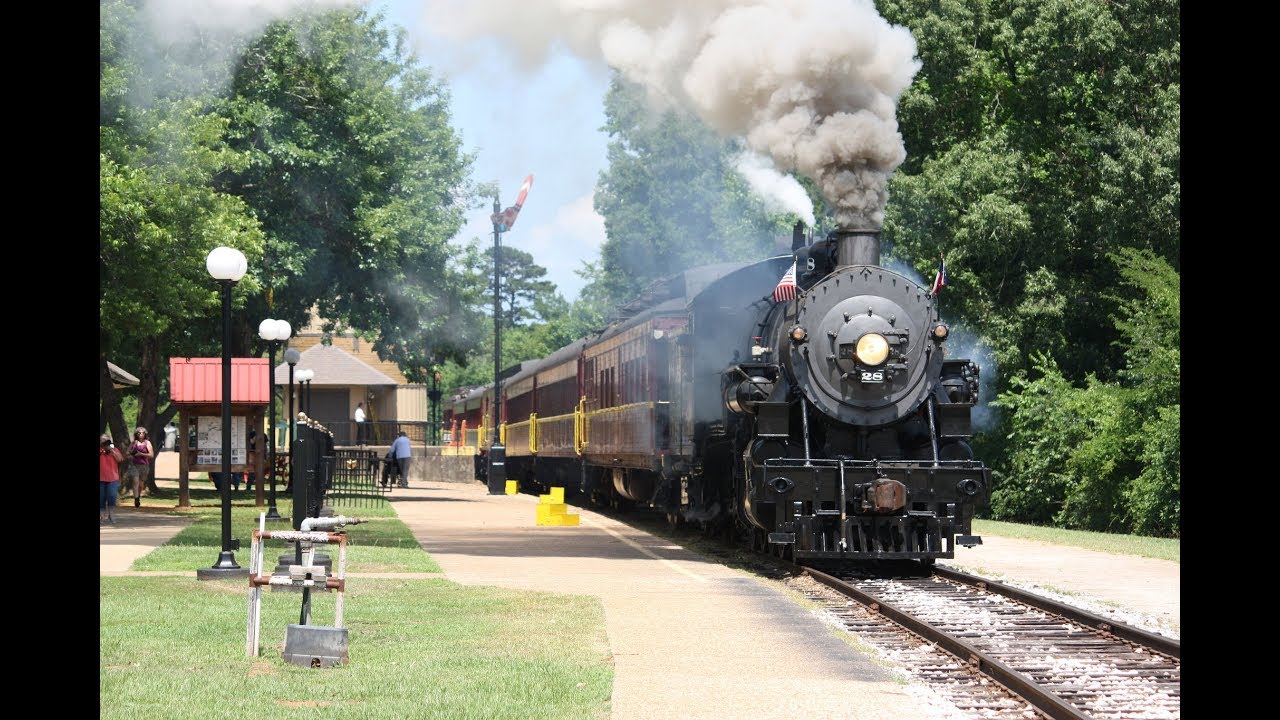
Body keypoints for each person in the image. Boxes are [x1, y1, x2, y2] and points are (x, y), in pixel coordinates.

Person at [125, 426, 154, 508]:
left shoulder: (147, 443)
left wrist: (141, 454)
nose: (141, 434)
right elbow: (127, 453)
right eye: (139, 433)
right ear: (136, 434)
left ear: (145, 434)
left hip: (144, 466)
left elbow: (151, 455)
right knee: (135, 481)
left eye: (142, 433)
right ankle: (136, 499)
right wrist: (130, 455)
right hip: (134, 465)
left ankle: (138, 495)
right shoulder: (133, 443)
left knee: (141, 485)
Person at [100, 434, 125, 525]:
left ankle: (111, 515)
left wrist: (111, 451)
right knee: (101, 498)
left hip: (113, 478)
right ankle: (102, 517)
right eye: (102, 441)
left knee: (112, 497)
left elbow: (119, 460)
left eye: (106, 440)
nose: (104, 442)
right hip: (100, 479)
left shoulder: (115, 450)